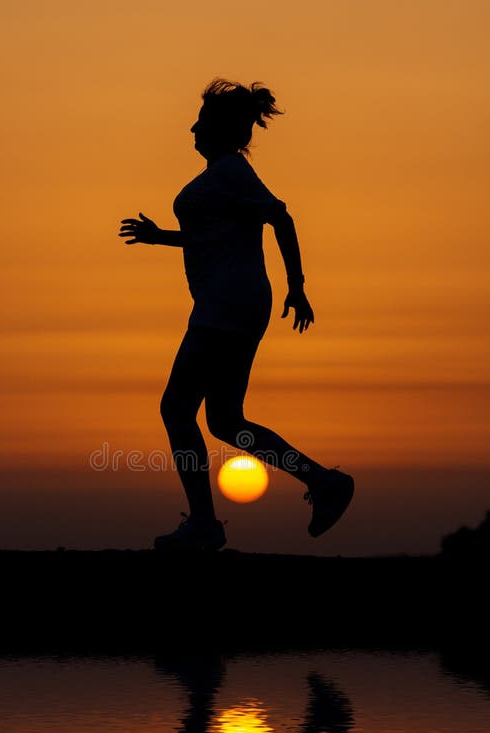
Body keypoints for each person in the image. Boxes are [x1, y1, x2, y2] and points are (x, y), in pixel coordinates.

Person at [119, 78, 354, 551]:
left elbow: (280, 217)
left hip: (227, 305)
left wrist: (297, 287)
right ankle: (322, 481)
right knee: (225, 421)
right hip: (233, 304)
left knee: (176, 408)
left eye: (201, 121)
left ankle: (204, 523)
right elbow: (212, 236)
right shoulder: (222, 177)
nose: (192, 128)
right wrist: (159, 237)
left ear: (222, 130)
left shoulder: (231, 171)